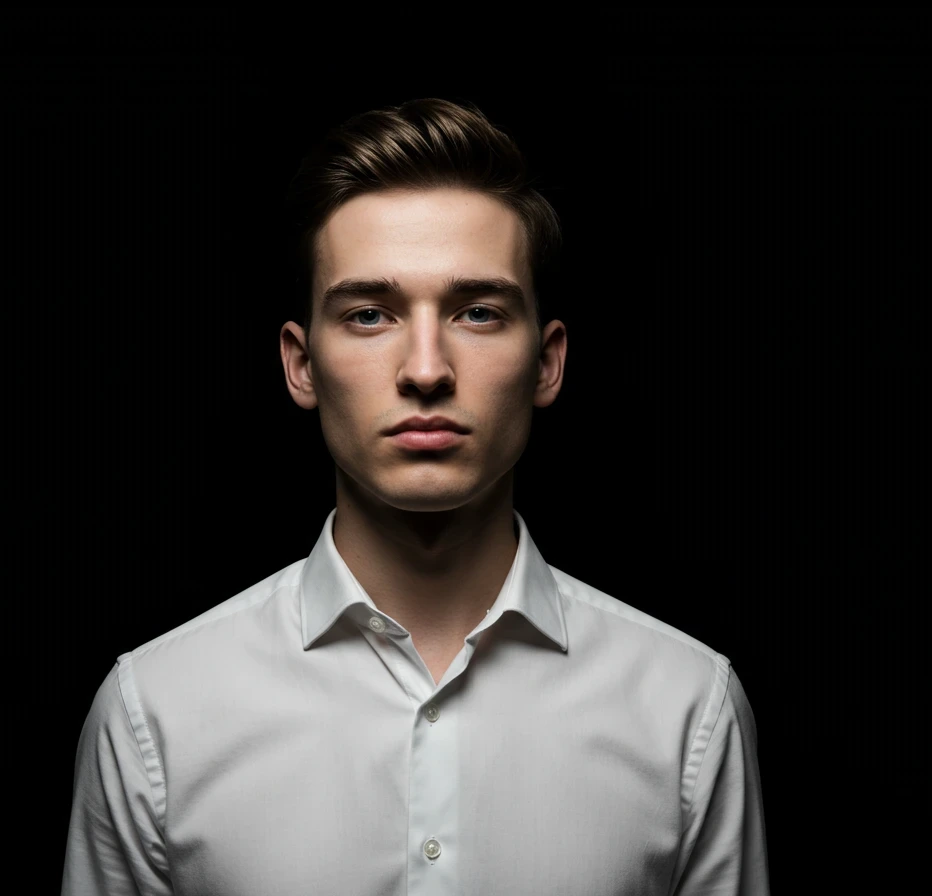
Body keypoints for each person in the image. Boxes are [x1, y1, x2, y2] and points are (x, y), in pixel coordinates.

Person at [62, 97, 769, 895]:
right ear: (300, 364)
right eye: (369, 314)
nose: (425, 370)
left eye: (477, 312)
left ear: (547, 362)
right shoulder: (155, 710)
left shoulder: (686, 708)